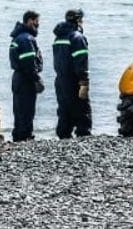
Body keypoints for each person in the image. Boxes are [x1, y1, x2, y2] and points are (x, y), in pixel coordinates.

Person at [52, 9, 91, 138]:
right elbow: (81, 62)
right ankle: (83, 134)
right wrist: (84, 82)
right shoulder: (77, 37)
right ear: (78, 20)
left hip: (60, 79)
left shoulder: (58, 37)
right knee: (82, 107)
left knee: (64, 108)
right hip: (74, 80)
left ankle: (63, 135)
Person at [9, 10, 44, 141]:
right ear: (30, 21)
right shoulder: (26, 39)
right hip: (25, 78)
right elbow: (28, 63)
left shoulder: (18, 37)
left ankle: (18, 136)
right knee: (26, 109)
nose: (38, 24)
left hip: (18, 78)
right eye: (37, 21)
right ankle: (25, 136)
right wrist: (37, 79)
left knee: (19, 109)